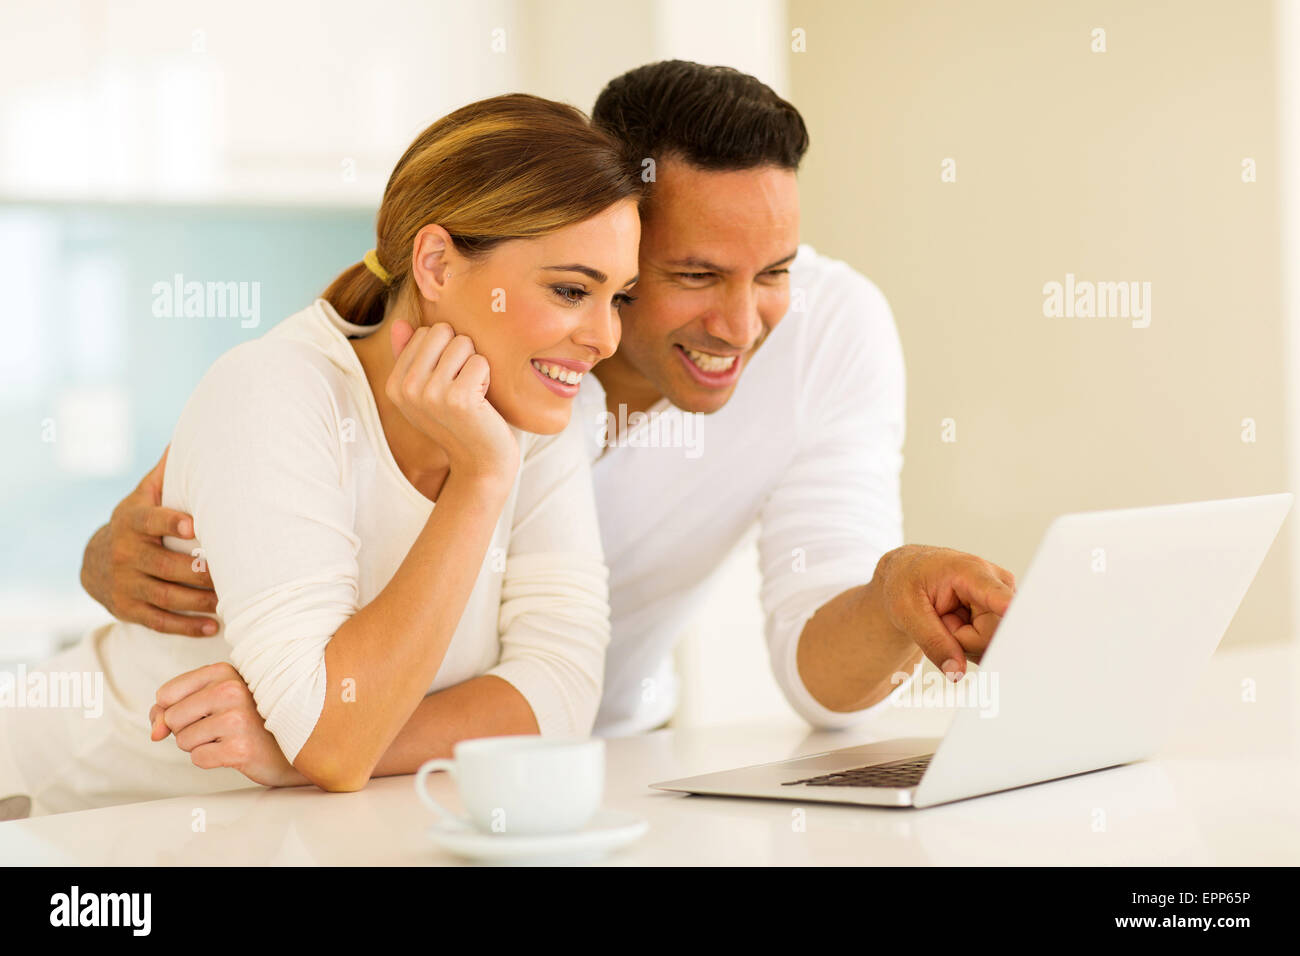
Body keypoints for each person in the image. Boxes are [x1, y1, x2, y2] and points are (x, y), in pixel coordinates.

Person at [79, 61, 1016, 781]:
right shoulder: (459, 367)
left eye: (775, 271)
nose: (741, 324)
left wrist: (892, 592)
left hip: (539, 771)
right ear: (614, 228)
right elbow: (283, 449)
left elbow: (575, 690)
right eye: (692, 275)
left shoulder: (805, 339)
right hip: (159, 807)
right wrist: (105, 561)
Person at [1, 93, 642, 816]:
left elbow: (561, 691)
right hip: (59, 814)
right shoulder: (274, 391)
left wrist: (295, 753)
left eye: (619, 296)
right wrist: (483, 480)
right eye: (570, 290)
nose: (605, 337)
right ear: (435, 263)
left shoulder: (536, 413)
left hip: (259, 832)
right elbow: (337, 743)